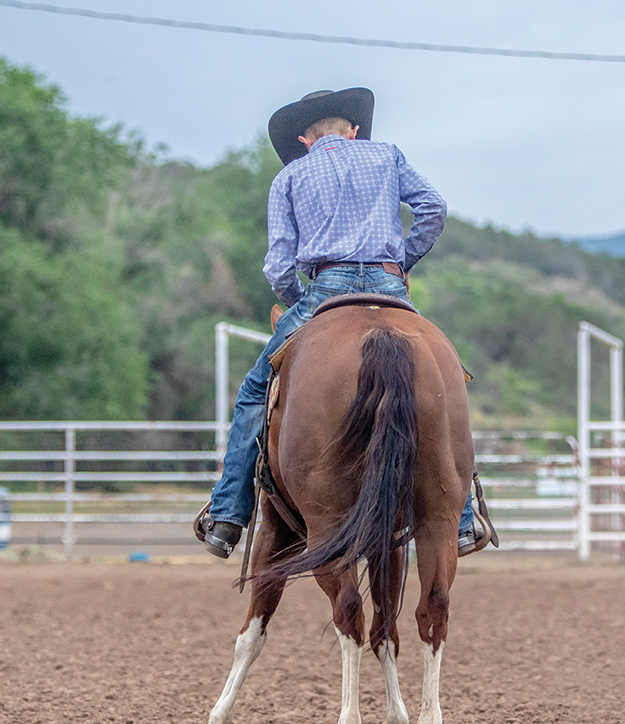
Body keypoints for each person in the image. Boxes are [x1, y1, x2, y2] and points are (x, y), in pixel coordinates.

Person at [195, 87, 482, 559]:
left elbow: (277, 267)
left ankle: (227, 516)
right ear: (353, 130)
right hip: (389, 287)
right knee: (444, 385)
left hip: (326, 289)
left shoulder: (289, 177)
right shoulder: (387, 155)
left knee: (254, 391)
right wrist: (401, 263)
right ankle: (464, 520)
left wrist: (305, 308)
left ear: (305, 140)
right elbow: (433, 209)